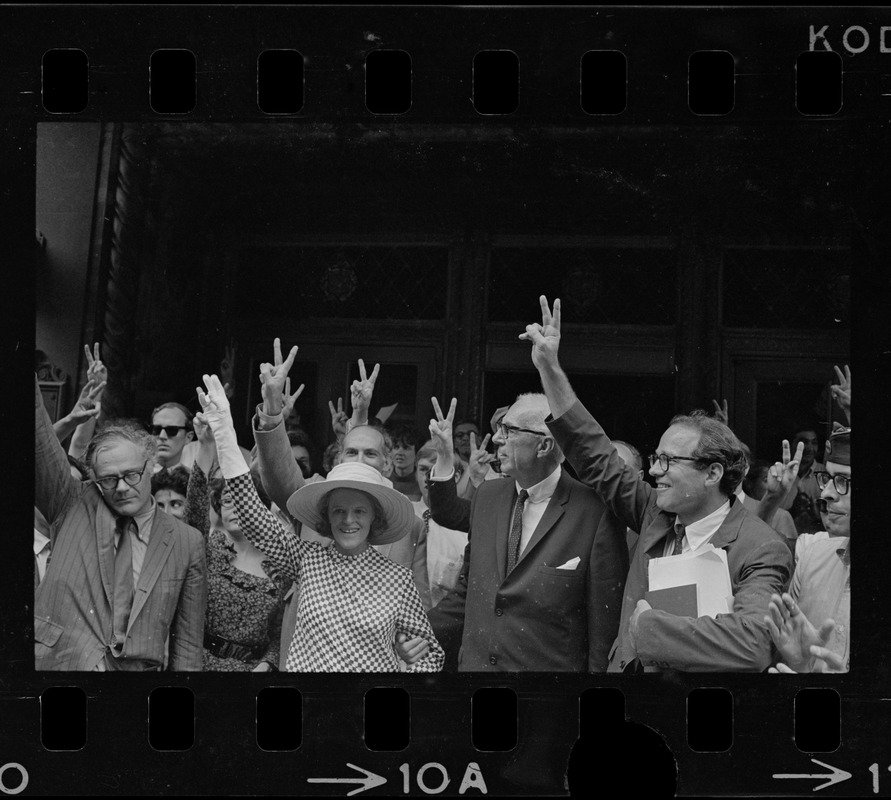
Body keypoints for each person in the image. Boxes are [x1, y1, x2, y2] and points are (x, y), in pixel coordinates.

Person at [522, 295, 793, 672]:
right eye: (655, 459)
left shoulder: (762, 548)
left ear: (713, 473)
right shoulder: (656, 512)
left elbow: (753, 644)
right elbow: (595, 454)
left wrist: (648, 628)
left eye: (668, 461)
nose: (653, 472)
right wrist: (550, 368)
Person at [196, 373, 444, 673]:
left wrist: (408, 666)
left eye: (360, 512)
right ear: (326, 516)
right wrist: (224, 431)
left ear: (375, 517)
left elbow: (432, 656)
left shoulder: (398, 580)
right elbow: (251, 510)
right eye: (339, 510)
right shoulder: (306, 559)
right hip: (307, 703)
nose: (348, 520)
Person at [426, 395, 628, 672]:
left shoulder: (594, 512)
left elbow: (603, 628)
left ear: (544, 445)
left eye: (508, 430)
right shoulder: (487, 496)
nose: (497, 438)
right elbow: (468, 592)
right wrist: (417, 628)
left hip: (547, 697)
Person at [34, 374, 206, 671]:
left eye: (132, 475)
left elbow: (188, 647)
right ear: (95, 479)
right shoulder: (71, 502)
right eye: (110, 479)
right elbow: (37, 443)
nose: (123, 487)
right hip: (61, 668)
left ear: (152, 464)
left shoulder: (186, 541)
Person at [184, 414, 288, 672]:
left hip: (251, 676)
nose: (235, 508)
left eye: (244, 501)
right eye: (228, 500)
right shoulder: (209, 548)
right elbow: (195, 510)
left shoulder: (281, 565)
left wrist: (265, 666)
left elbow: (280, 632)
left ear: (260, 509)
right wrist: (206, 445)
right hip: (199, 666)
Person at [765, 422, 850, 673]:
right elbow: (757, 547)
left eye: (845, 481)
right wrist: (801, 668)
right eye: (828, 479)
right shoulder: (813, 554)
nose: (827, 494)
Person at [412, 441, 469, 606]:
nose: (428, 478)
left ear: (455, 476)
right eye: (423, 470)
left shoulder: (465, 527)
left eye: (435, 470)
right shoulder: (404, 517)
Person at [150, 402, 195, 473]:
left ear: (188, 437)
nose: (162, 436)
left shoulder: (194, 480)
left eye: (172, 430)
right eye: (157, 429)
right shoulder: (135, 475)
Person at [387, 422, 421, 500]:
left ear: (417, 453)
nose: (400, 452)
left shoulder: (423, 483)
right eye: (396, 447)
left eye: (406, 448)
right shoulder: (383, 481)